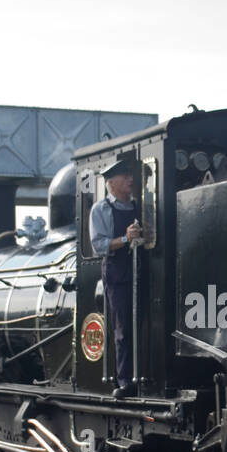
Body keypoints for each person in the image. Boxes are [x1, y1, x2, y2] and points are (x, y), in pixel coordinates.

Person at [89, 157, 142, 397]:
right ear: (111, 183)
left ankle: (142, 374)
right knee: (122, 328)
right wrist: (125, 239)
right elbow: (99, 245)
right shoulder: (101, 210)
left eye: (130, 175)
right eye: (124, 176)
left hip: (140, 269)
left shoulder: (140, 206)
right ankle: (123, 379)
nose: (130, 179)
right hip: (117, 271)